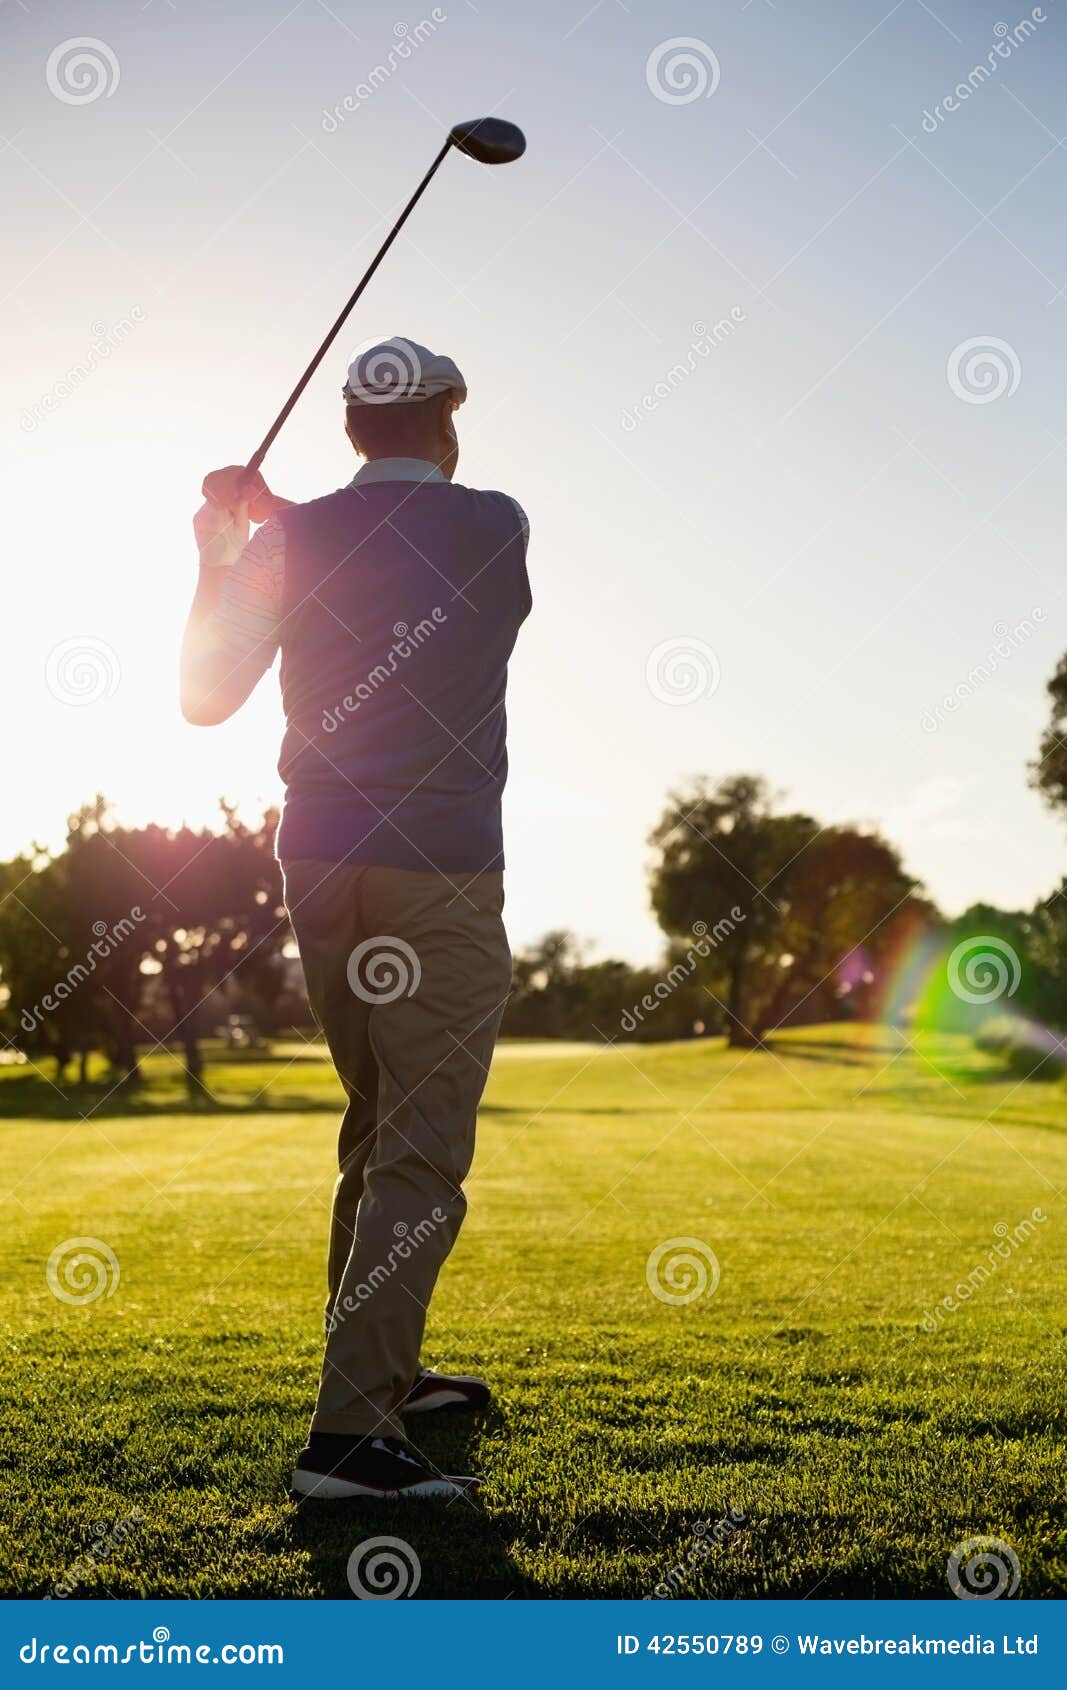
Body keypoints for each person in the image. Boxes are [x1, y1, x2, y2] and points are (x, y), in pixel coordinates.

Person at [180, 338, 531, 1499]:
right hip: (441, 868)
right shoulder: (495, 525)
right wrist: (268, 525)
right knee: (419, 1147)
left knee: (377, 1121)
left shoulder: (287, 547)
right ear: (445, 423)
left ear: (348, 427)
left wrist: (222, 555)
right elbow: (396, 546)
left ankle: (383, 1371)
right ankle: (347, 1441)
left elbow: (203, 697)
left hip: (319, 861)